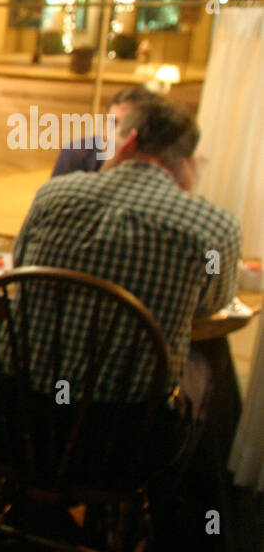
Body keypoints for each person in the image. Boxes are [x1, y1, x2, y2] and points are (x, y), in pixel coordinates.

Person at [15, 97, 241, 416]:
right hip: (128, 422)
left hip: (26, 403)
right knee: (206, 371)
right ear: (187, 159)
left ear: (129, 141)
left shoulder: (52, 196)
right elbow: (211, 304)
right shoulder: (214, 227)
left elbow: (22, 262)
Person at [49, 85, 159, 178]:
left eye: (126, 127)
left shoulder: (153, 166)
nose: (114, 133)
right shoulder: (77, 153)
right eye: (112, 122)